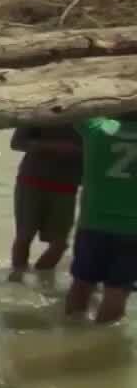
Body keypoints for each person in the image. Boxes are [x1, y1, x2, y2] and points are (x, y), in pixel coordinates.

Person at [65, 116, 137, 324]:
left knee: (81, 284)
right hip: (133, 229)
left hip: (94, 223)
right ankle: (98, 345)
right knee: (117, 292)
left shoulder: (97, 128)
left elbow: (75, 107)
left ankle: (70, 334)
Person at [8, 125, 82, 281]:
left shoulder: (93, 117)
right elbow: (16, 143)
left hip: (67, 185)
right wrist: (51, 146)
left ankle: (41, 278)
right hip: (32, 181)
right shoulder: (42, 112)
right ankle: (17, 281)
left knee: (60, 244)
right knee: (24, 236)